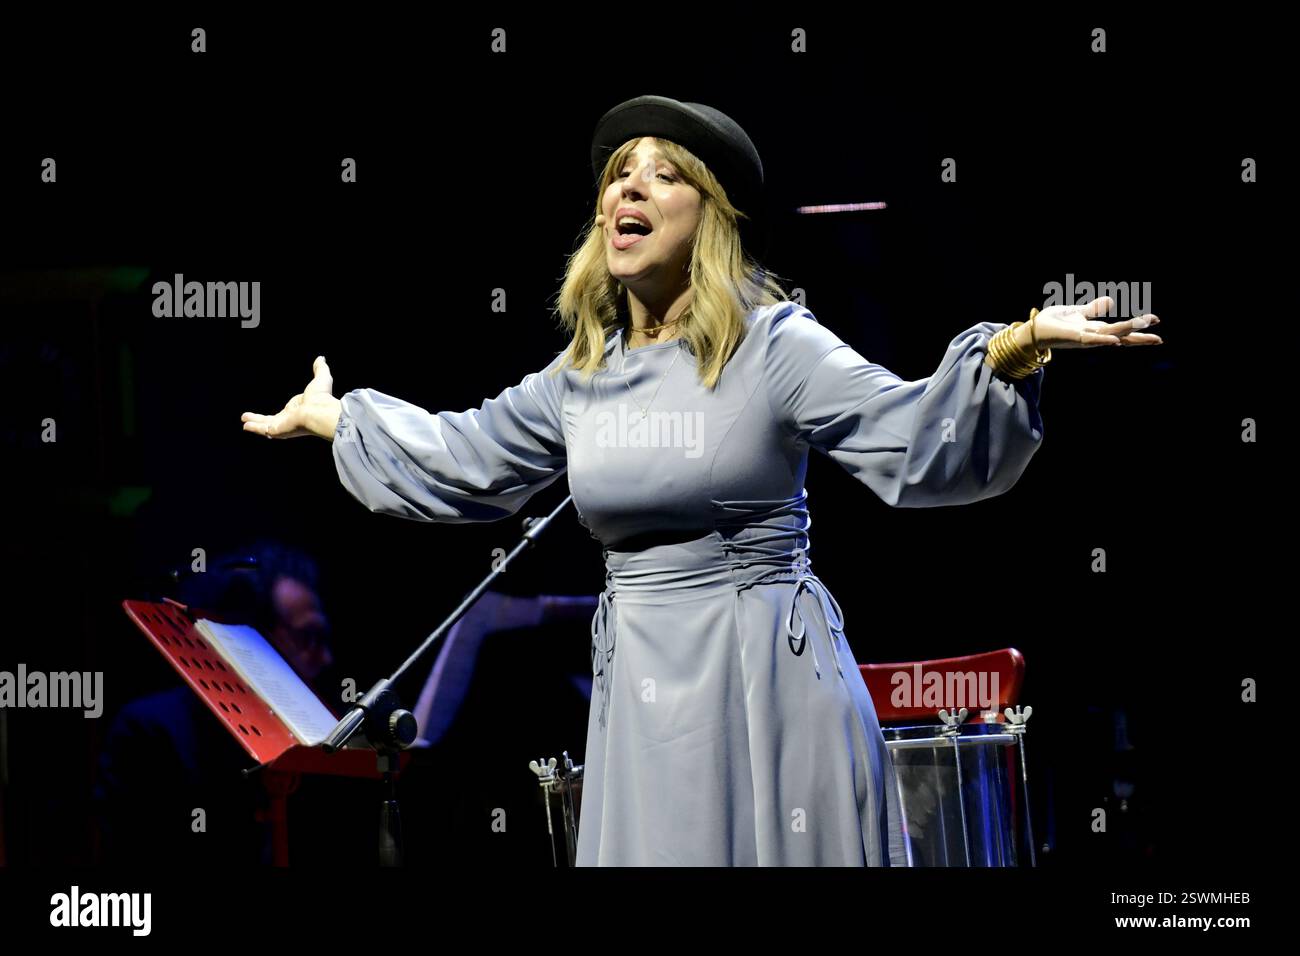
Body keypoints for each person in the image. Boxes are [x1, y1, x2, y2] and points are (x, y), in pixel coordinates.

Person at [241, 94, 1163, 866]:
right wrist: (339, 417)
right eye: (618, 173)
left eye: (664, 172)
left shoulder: (774, 344)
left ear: (709, 216)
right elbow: (465, 454)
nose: (628, 187)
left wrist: (1015, 348)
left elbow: (913, 437)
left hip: (767, 681)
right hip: (642, 692)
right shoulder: (581, 376)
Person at [94, 541, 340, 865]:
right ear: (253, 639)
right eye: (309, 637)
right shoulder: (150, 731)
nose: (326, 659)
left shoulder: (320, 745)